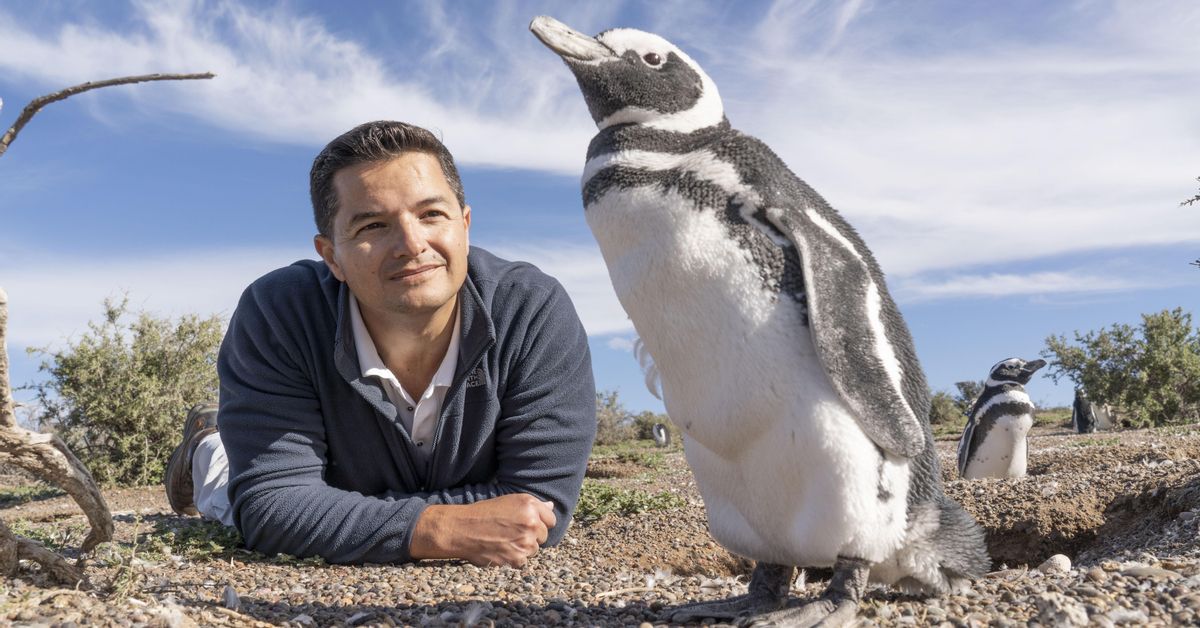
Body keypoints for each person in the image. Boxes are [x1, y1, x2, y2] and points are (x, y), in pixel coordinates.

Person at [163, 120, 597, 568]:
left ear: (465, 226)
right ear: (332, 256)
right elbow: (272, 506)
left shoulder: (531, 309)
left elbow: (538, 507)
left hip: (335, 489)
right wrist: (437, 528)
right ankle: (207, 451)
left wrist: (333, 513)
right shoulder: (280, 313)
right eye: (372, 225)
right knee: (226, 494)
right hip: (307, 475)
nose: (411, 244)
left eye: (432, 215)